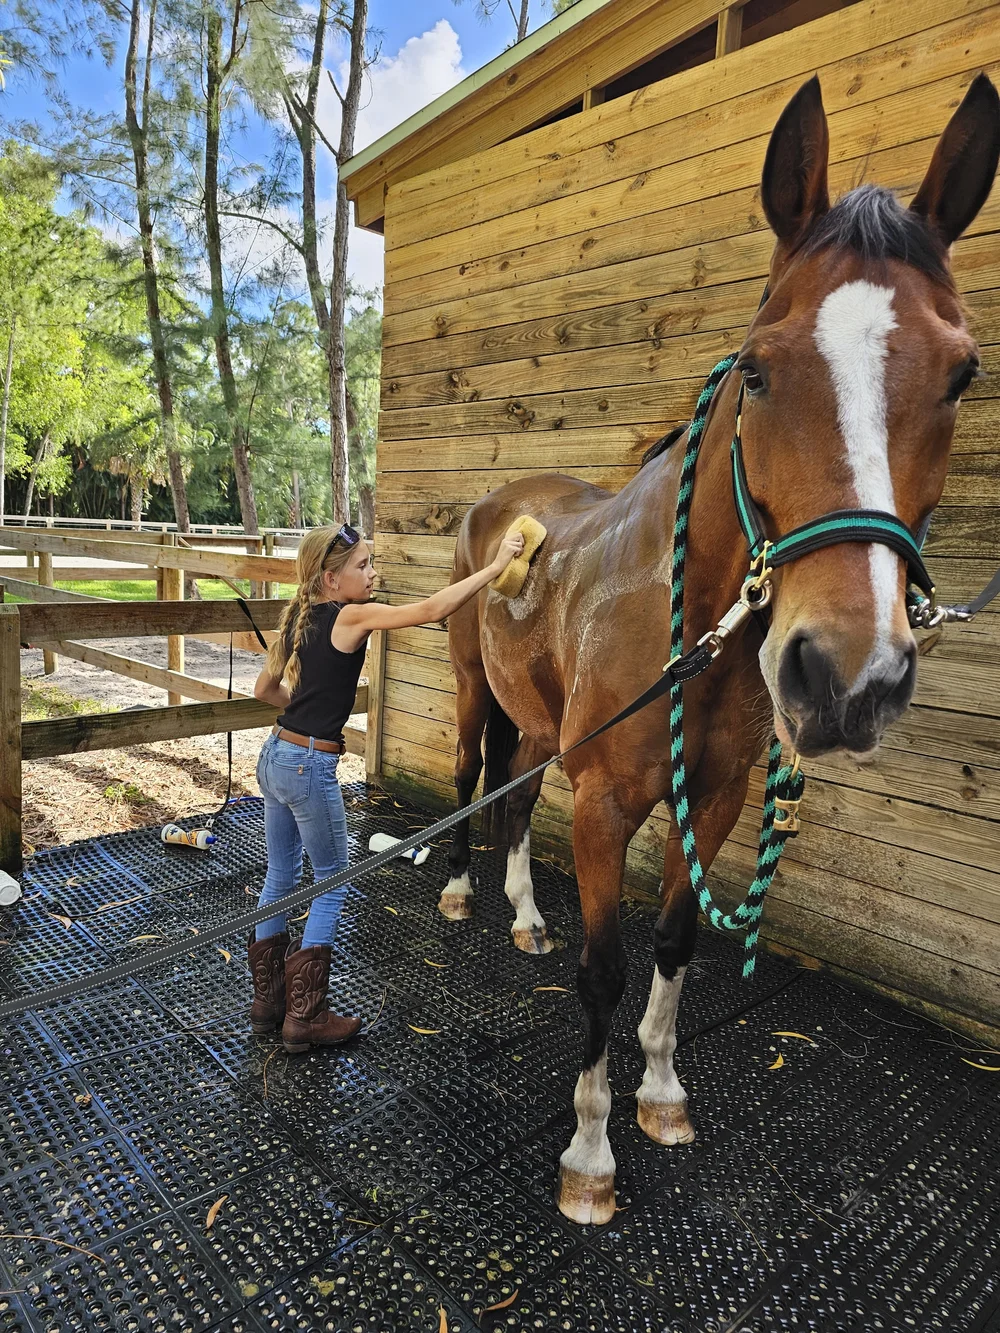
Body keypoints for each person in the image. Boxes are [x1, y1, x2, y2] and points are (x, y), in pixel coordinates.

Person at [248, 520, 525, 1053]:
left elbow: (266, 689)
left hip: (276, 754)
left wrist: (307, 719)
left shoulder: (297, 617)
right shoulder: (351, 616)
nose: (374, 574)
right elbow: (431, 610)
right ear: (331, 580)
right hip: (306, 765)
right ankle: (305, 1017)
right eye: (363, 566)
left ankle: (268, 1004)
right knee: (331, 881)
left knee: (281, 875)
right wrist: (494, 568)